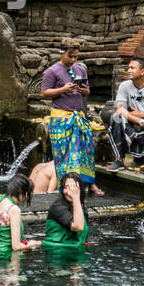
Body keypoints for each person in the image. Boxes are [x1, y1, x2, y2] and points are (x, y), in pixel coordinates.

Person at [41, 38, 101, 196]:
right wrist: (62, 90)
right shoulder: (51, 71)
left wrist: (84, 91)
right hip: (61, 119)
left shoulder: (81, 70)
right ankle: (68, 188)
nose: (73, 60)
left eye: (76, 57)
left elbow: (87, 91)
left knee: (86, 152)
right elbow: (44, 93)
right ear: (62, 53)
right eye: (70, 56)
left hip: (79, 118)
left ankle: (90, 184)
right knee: (65, 156)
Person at [0, 172, 39, 258]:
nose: (27, 197)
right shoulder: (14, 209)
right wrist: (31, 244)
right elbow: (16, 247)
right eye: (27, 194)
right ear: (24, 192)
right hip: (6, 255)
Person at [44, 172, 89, 251]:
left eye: (73, 187)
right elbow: (78, 227)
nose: (69, 192)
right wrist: (75, 197)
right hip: (58, 252)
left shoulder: (81, 205)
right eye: (66, 188)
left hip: (76, 251)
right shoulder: (57, 207)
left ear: (80, 189)